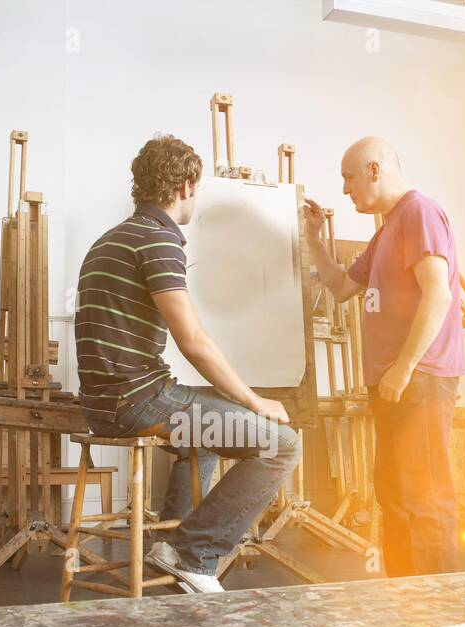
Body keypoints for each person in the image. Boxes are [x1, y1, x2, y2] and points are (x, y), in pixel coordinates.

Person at [75, 134, 301, 593]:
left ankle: (171, 549)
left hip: (104, 404)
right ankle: (192, 553)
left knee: (212, 425)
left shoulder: (109, 240)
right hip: (138, 402)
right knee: (281, 443)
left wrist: (237, 400)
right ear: (185, 188)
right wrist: (255, 399)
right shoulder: (159, 240)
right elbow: (193, 341)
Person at [304, 137, 465, 577]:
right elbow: (340, 289)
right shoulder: (386, 231)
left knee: (424, 498)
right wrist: (314, 240)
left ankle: (435, 613)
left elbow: (438, 296)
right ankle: (402, 603)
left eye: (349, 178)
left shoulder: (419, 213)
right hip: (395, 384)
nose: (344, 190)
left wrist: (403, 368)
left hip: (420, 378)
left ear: (374, 170)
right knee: (394, 495)